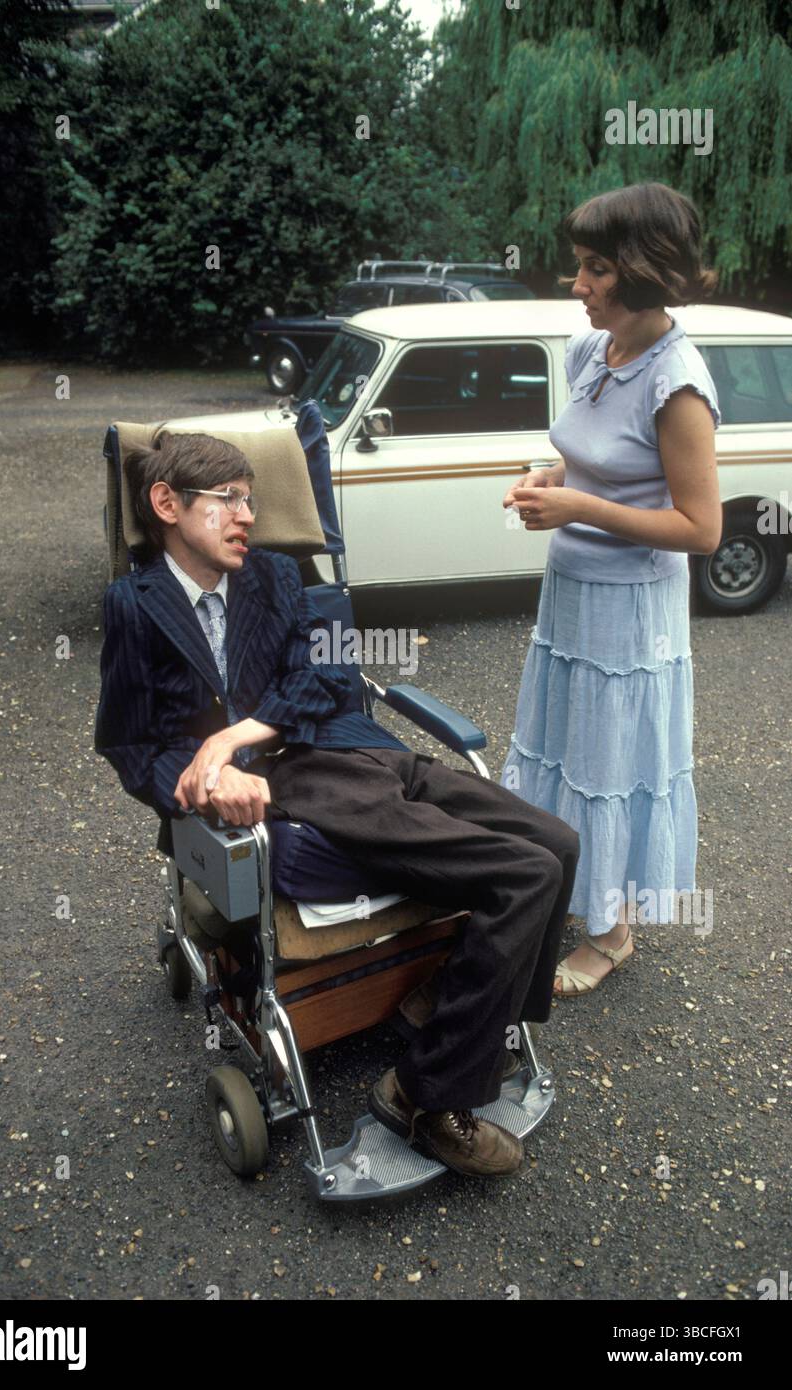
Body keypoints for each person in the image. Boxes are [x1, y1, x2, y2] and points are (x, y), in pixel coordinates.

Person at [95, 429, 579, 1178]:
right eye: (228, 501)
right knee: (526, 876)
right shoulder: (133, 606)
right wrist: (205, 777)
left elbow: (326, 680)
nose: (247, 516)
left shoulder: (277, 578)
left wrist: (224, 740)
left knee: (559, 843)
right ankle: (423, 1096)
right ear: (166, 503)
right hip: (296, 789)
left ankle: (467, 1013)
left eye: (251, 501)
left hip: (364, 750)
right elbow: (130, 745)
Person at [502, 181, 721, 996]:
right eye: (579, 266)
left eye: (594, 269)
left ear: (638, 269)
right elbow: (601, 459)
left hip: (631, 613)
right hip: (571, 594)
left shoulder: (679, 384)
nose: (578, 284)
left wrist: (577, 506)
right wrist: (549, 477)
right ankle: (575, 887)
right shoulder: (592, 350)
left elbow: (701, 529)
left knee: (611, 759)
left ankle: (613, 932)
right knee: (562, 748)